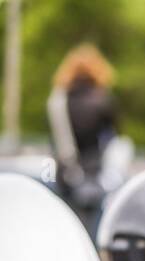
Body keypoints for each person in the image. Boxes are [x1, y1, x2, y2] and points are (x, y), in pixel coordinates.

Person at [47, 45, 119, 217]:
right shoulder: (103, 100)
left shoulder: (57, 101)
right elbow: (113, 137)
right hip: (95, 174)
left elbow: (53, 139)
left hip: (65, 173)